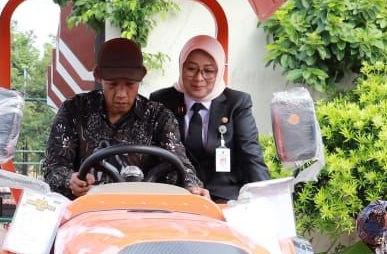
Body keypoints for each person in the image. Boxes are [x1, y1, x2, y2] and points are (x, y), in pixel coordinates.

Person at [42, 37, 206, 199]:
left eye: (129, 84)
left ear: (140, 79)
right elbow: (53, 167)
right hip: (87, 212)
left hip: (146, 213)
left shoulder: (159, 117)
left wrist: (192, 186)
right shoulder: (74, 110)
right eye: (112, 84)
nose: (121, 94)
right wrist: (70, 180)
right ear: (99, 77)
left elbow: (179, 162)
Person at [149, 35, 269, 202]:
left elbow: (250, 156)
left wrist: (267, 200)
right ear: (181, 66)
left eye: (208, 71)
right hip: (175, 197)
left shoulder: (236, 103)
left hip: (224, 199)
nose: (199, 78)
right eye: (191, 69)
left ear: (219, 71)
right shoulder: (162, 100)